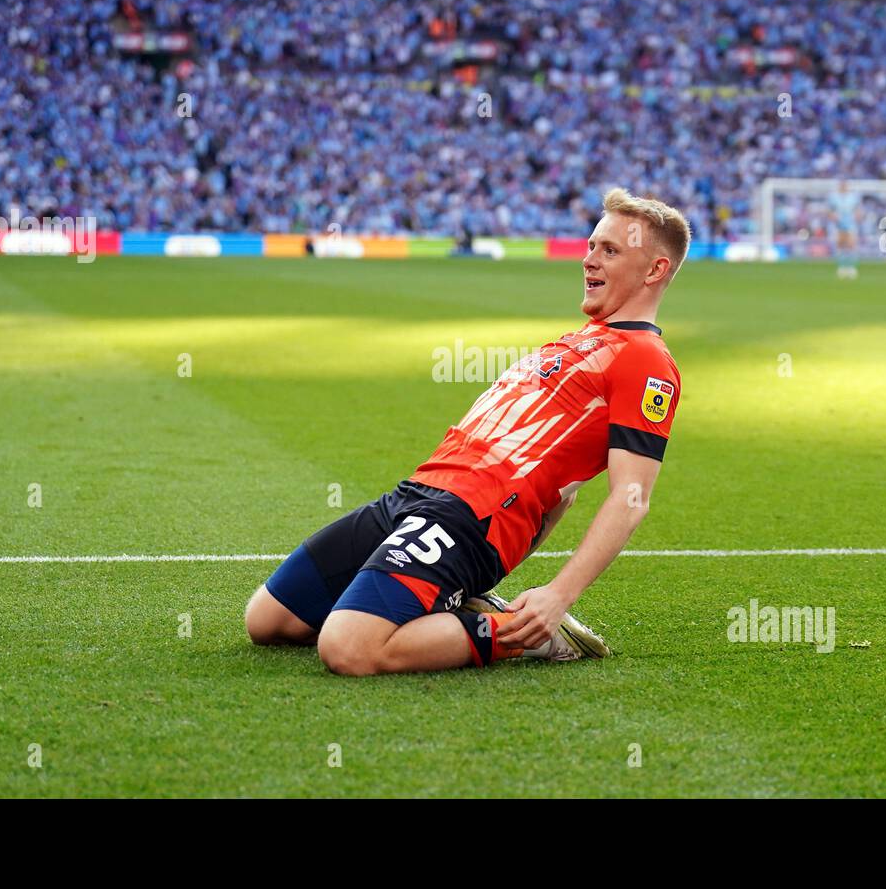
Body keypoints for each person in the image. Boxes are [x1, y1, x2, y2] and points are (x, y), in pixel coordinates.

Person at [245, 188, 688, 675]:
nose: (588, 260)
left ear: (654, 270)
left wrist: (557, 595)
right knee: (269, 621)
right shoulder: (577, 340)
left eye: (610, 251)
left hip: (470, 519)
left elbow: (631, 495)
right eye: (590, 246)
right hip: (415, 493)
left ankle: (523, 633)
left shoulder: (646, 360)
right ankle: (458, 602)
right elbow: (563, 494)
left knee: (348, 648)